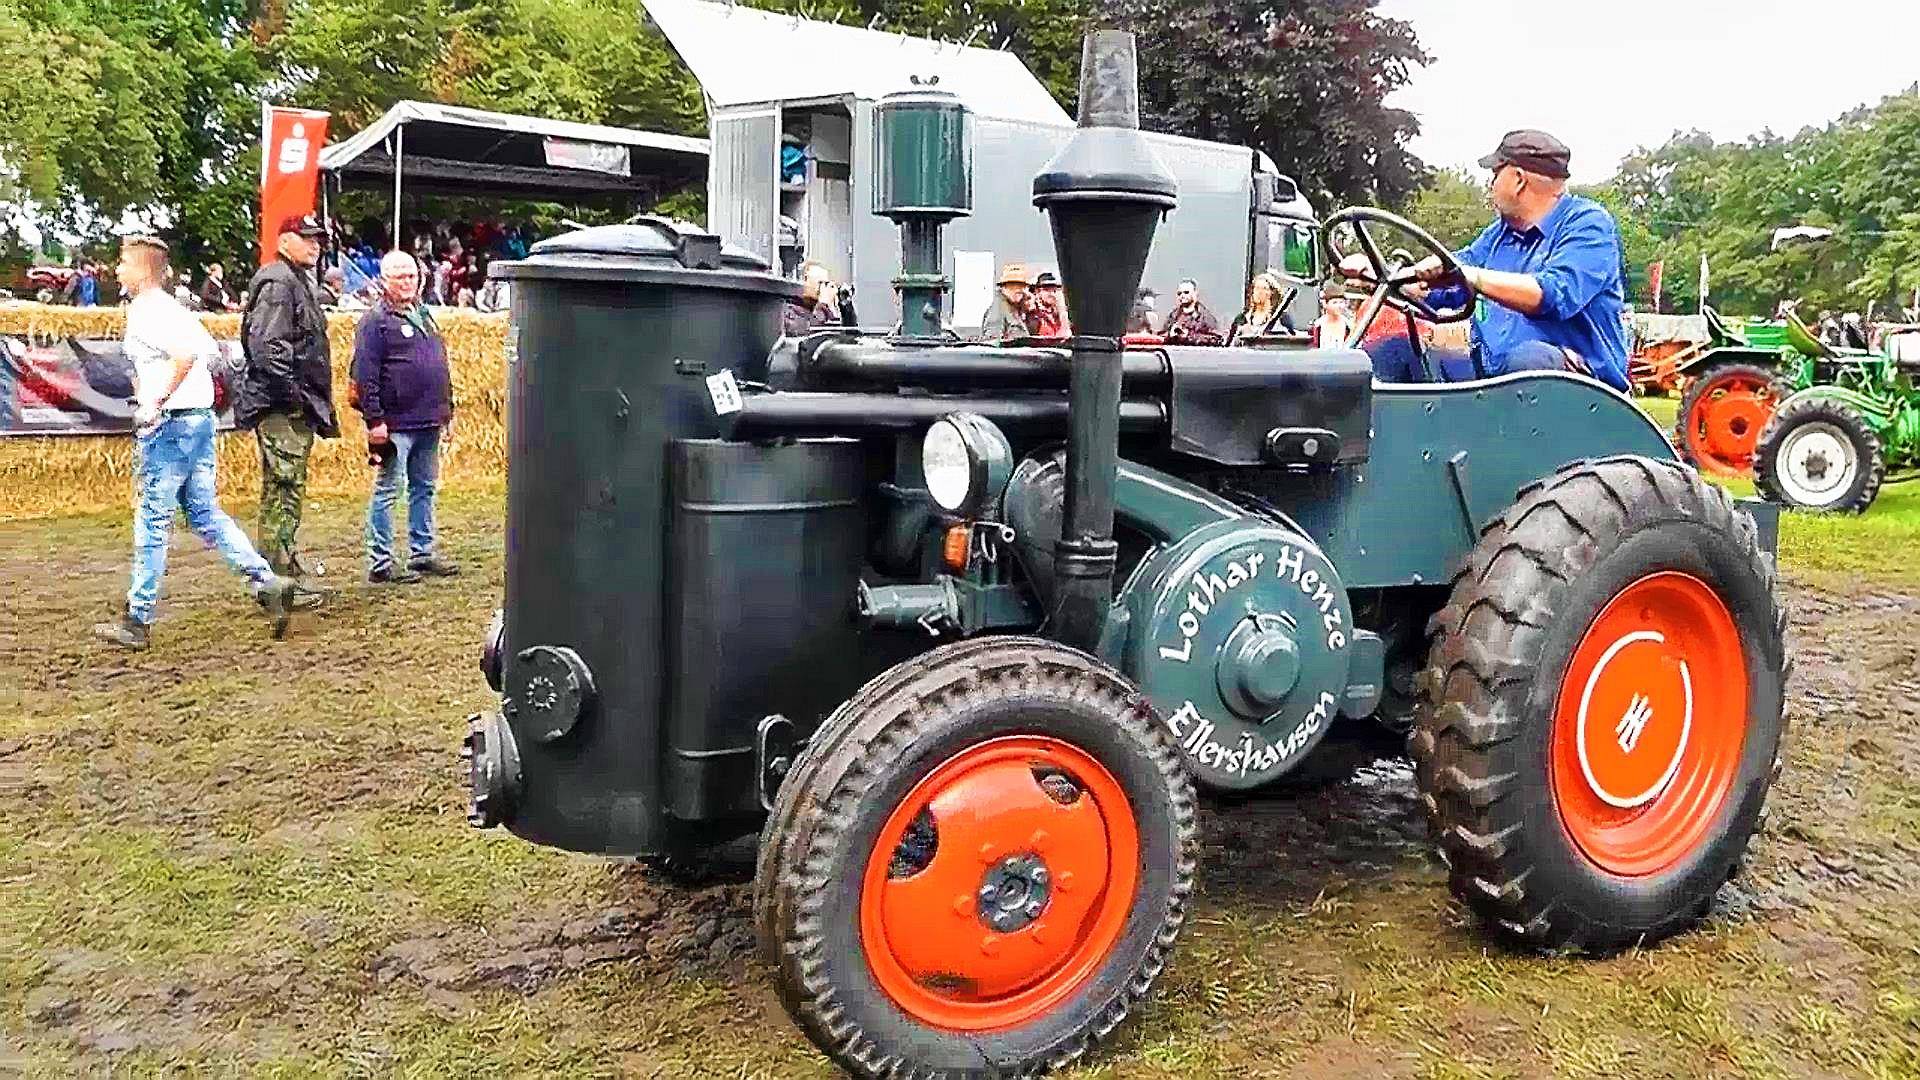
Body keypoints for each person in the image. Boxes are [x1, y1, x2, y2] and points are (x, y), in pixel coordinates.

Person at [91, 236, 297, 651]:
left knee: (152, 519)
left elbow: (183, 358)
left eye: (123, 264)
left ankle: (138, 618)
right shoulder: (175, 310)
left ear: (142, 270)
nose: (117, 271)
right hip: (198, 422)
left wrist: (154, 401)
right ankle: (265, 580)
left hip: (170, 426)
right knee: (203, 511)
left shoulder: (146, 311)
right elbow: (208, 354)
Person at [1346, 130, 1631, 390]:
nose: (1491, 184)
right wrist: (1378, 275)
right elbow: (1444, 282)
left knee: (1530, 362)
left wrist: (1472, 276)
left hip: (1579, 387)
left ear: (1518, 179)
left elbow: (1554, 295)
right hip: (1491, 373)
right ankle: (1361, 442)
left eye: (1495, 173)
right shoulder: (1498, 235)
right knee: (1392, 354)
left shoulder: (1588, 224)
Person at [237, 213, 339, 592]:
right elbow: (267, 347)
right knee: (284, 487)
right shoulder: (280, 282)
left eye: (318, 239)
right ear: (283, 241)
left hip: (288, 402)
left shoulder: (292, 281)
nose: (315, 244)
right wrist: (294, 397)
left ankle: (282, 566)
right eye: (306, 237)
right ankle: (277, 578)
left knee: (285, 487)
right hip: (282, 405)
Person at [353, 251, 459, 584]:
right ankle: (381, 561)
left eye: (411, 276)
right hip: (395, 422)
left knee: (424, 488)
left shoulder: (424, 315)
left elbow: (440, 364)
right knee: (388, 489)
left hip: (428, 419)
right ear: (384, 280)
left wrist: (448, 410)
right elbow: (365, 375)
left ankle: (421, 553)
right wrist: (375, 421)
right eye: (399, 277)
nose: (407, 282)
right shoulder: (375, 322)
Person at [782, 260, 843, 336]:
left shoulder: (817, 309)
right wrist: (822, 306)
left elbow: (836, 335)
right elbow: (810, 336)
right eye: (820, 283)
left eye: (826, 283)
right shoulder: (788, 311)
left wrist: (834, 308)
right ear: (804, 280)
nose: (823, 288)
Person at [1230, 271, 1290, 343]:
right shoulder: (1241, 318)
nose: (1259, 292)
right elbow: (1230, 344)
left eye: (1264, 288)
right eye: (1257, 288)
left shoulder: (1282, 318)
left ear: (1272, 293)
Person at [979, 263, 1032, 341]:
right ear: (1003, 288)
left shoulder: (1017, 309)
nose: (1017, 290)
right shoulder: (997, 310)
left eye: (1021, 286)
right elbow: (992, 343)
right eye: (1012, 286)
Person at [1163, 278, 1225, 345]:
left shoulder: (1205, 317)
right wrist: (1170, 335)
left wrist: (1189, 336)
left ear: (1195, 293)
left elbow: (1216, 339)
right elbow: (1162, 336)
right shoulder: (1173, 316)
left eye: (1186, 292)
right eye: (1179, 293)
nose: (1182, 296)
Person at [1028, 271, 1070, 337]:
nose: (1052, 294)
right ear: (1037, 292)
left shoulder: (1059, 314)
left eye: (1054, 290)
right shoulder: (1034, 316)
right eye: (1047, 290)